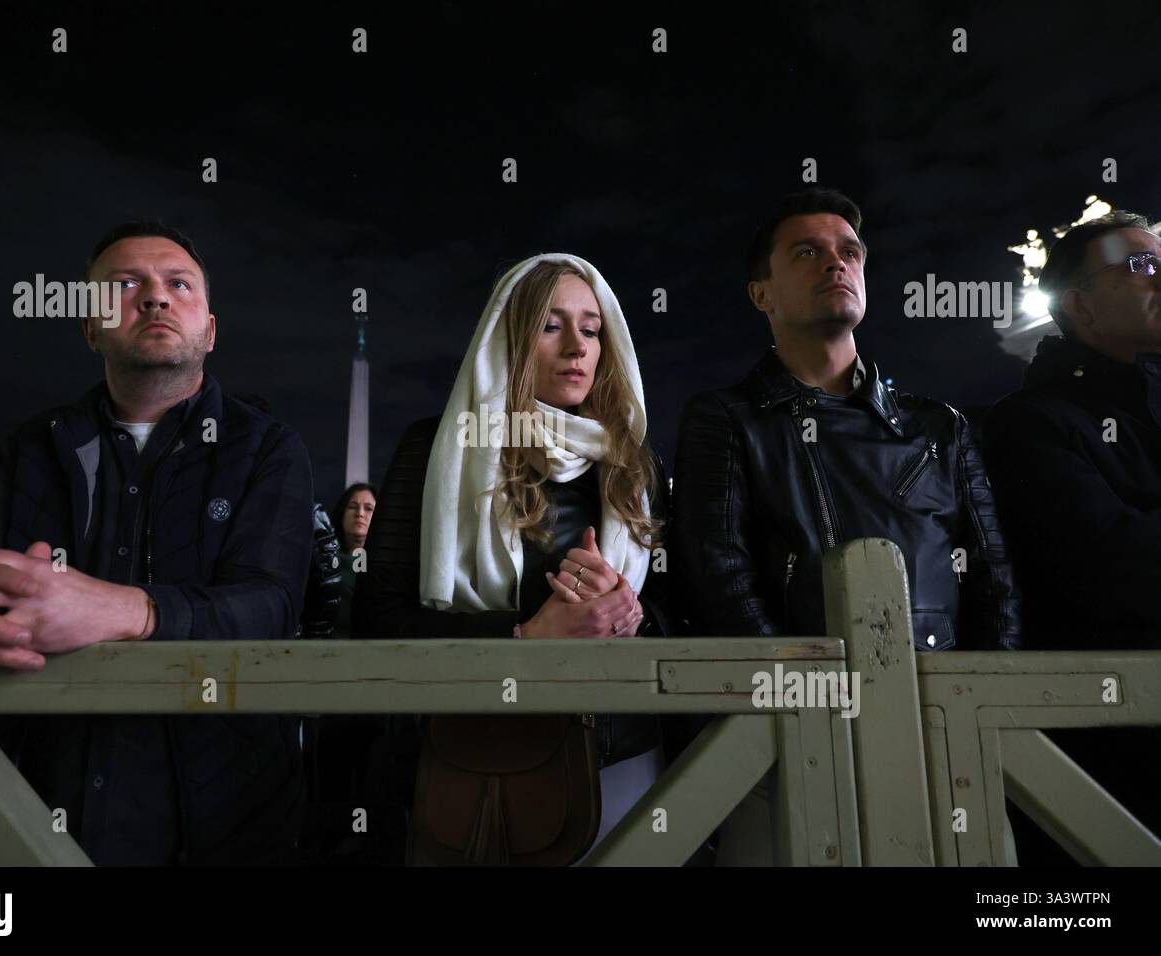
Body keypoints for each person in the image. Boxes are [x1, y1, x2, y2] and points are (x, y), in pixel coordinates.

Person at [0, 221, 315, 866]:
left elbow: (271, 605)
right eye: (125, 284)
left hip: (214, 812)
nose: (156, 297)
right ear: (90, 327)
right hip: (35, 794)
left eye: (179, 284)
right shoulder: (31, 448)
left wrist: (123, 609)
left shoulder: (270, 449)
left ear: (210, 329)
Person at [670, 188, 1020, 863]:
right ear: (761, 294)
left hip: (940, 732)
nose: (837, 263)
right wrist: (800, 701)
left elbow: (992, 577)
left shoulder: (937, 424)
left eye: (849, 252)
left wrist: (982, 704)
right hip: (782, 741)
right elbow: (717, 573)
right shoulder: (725, 419)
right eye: (807, 253)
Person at [354, 253, 669, 864]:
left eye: (592, 327)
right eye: (551, 326)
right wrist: (523, 636)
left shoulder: (634, 463)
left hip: (619, 751)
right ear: (510, 338)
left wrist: (631, 615)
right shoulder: (437, 447)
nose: (577, 346)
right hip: (476, 753)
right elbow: (377, 621)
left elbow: (678, 611)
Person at [983, 210, 1161, 852]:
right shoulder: (1028, 426)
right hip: (1111, 772)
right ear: (1081, 307)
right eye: (1141, 265)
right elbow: (1115, 576)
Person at [330, 482, 376, 640]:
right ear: (342, 513)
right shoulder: (321, 563)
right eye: (352, 507)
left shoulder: (387, 570)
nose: (360, 514)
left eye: (368, 508)